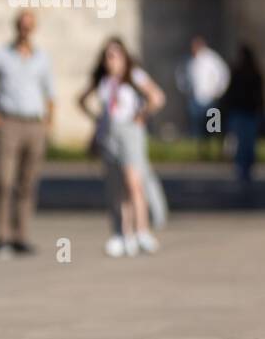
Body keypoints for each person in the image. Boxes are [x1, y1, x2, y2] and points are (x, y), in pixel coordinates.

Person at [0, 10, 55, 259]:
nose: (25, 30)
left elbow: (51, 93)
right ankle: (2, 236)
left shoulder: (42, 58)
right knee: (4, 180)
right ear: (15, 27)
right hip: (9, 123)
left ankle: (21, 236)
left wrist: (49, 123)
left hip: (34, 123)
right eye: (22, 25)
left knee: (28, 182)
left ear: (34, 29)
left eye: (30, 26)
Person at [78, 38, 166, 257]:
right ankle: (121, 233)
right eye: (107, 56)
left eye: (115, 55)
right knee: (116, 186)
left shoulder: (134, 76)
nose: (111, 61)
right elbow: (81, 100)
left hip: (130, 131)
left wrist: (142, 115)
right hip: (109, 133)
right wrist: (97, 120)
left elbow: (157, 97)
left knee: (133, 183)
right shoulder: (102, 80)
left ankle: (142, 230)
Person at [220, 45, 263, 184]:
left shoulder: (253, 73)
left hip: (247, 112)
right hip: (240, 111)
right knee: (241, 142)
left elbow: (258, 95)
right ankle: (241, 167)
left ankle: (246, 168)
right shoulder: (238, 72)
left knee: (247, 142)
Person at [176, 35, 229, 143]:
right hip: (194, 98)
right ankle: (199, 146)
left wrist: (218, 92)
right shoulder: (188, 59)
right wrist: (185, 90)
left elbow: (223, 75)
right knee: (197, 125)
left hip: (210, 98)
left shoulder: (212, 58)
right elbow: (180, 75)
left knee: (212, 125)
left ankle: (214, 146)